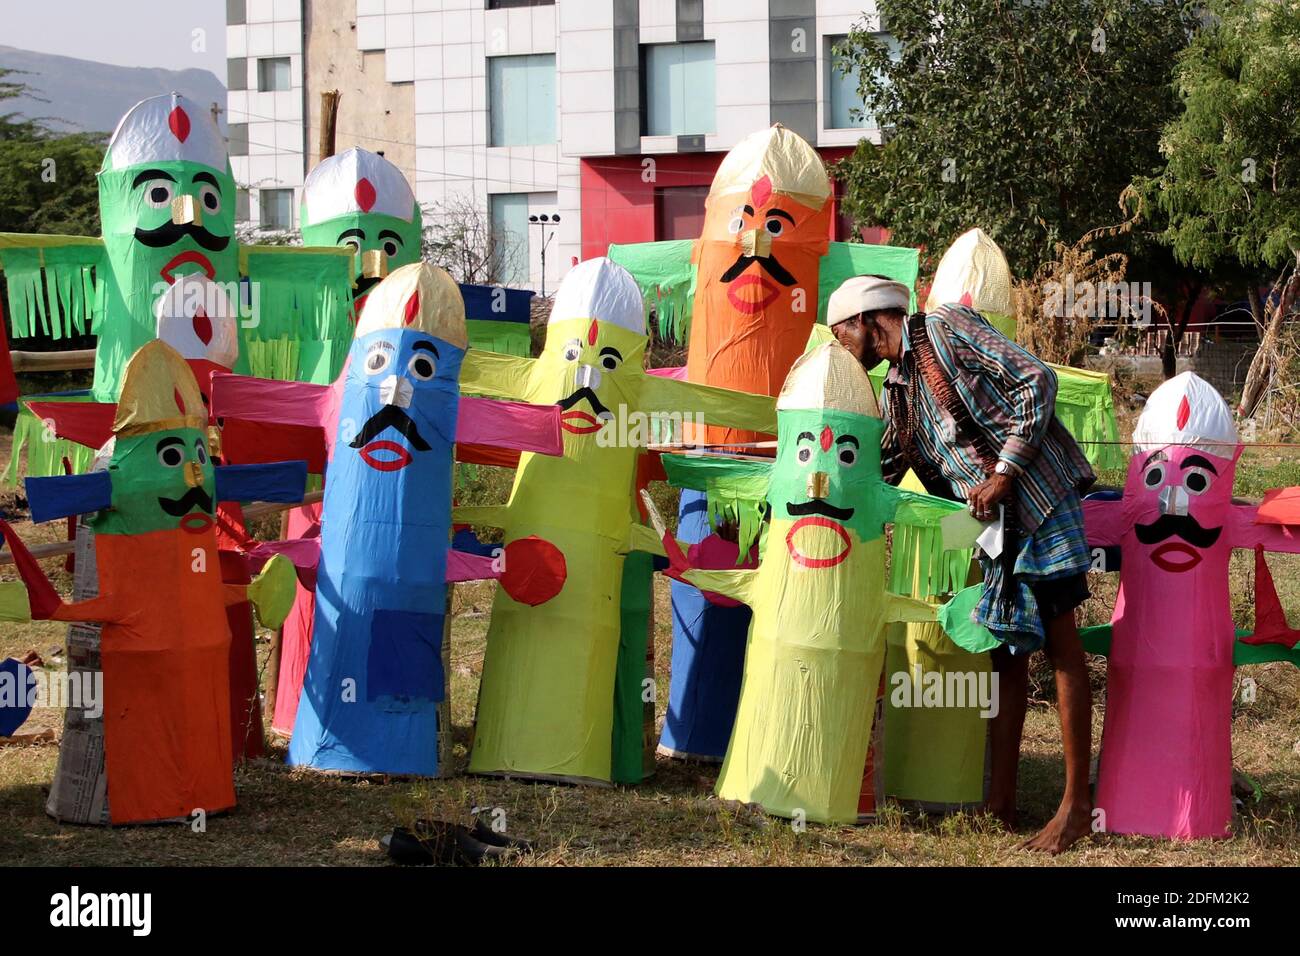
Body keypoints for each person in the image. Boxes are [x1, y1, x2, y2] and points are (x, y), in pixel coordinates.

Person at [827, 274, 1096, 854]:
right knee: (1005, 654)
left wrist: (1004, 472)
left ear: (871, 319)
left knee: (1060, 641)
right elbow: (886, 465)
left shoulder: (945, 327)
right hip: (993, 528)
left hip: (1039, 497)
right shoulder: (898, 389)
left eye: (841, 331)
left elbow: (1037, 379)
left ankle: (1076, 807)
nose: (840, 344)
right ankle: (1001, 804)